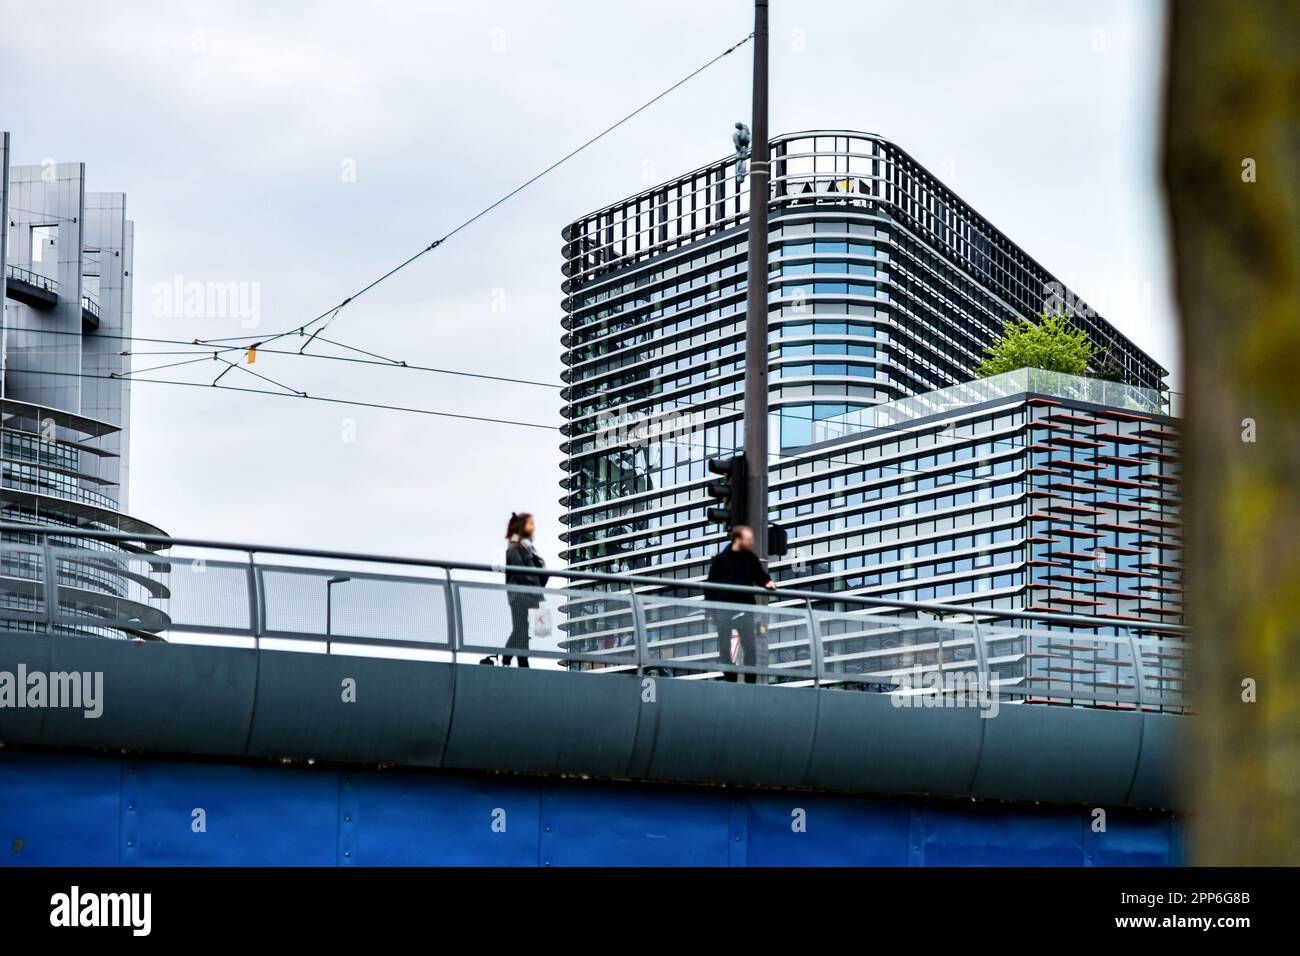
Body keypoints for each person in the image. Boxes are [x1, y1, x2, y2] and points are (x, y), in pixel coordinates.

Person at [703, 525, 776, 683]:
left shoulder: (750, 558)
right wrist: (709, 610)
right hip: (724, 608)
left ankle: (750, 681)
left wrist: (768, 582)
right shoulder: (720, 560)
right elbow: (710, 586)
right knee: (724, 646)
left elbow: (760, 575)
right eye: (748, 539)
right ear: (737, 539)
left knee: (750, 646)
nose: (751, 542)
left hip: (745, 608)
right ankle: (731, 677)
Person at [501, 512, 548, 667]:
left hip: (528, 594)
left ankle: (516, 660)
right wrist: (535, 588)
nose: (533, 527)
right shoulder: (514, 548)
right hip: (520, 594)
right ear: (522, 526)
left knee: (522, 628)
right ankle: (515, 660)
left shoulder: (527, 548)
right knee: (520, 628)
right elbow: (521, 572)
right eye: (530, 524)